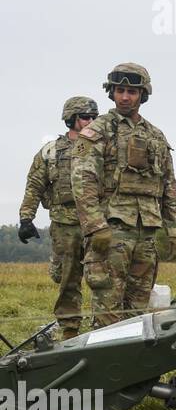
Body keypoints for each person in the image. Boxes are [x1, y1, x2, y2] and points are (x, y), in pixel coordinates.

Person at [72, 63, 176, 327]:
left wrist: (175, 228)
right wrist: (96, 227)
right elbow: (82, 181)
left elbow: (168, 185)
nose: (125, 97)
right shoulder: (98, 132)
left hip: (146, 235)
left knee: (138, 314)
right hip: (111, 235)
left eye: (132, 91)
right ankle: (102, 366)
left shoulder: (155, 136)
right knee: (107, 314)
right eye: (120, 90)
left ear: (142, 95)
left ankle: (134, 367)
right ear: (111, 93)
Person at [17, 96, 100, 339]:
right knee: (67, 279)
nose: (91, 121)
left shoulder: (103, 147)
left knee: (103, 279)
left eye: (94, 117)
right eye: (86, 117)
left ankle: (104, 330)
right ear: (71, 119)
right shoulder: (51, 152)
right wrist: (25, 218)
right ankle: (69, 332)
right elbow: (34, 185)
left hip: (98, 223)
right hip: (65, 225)